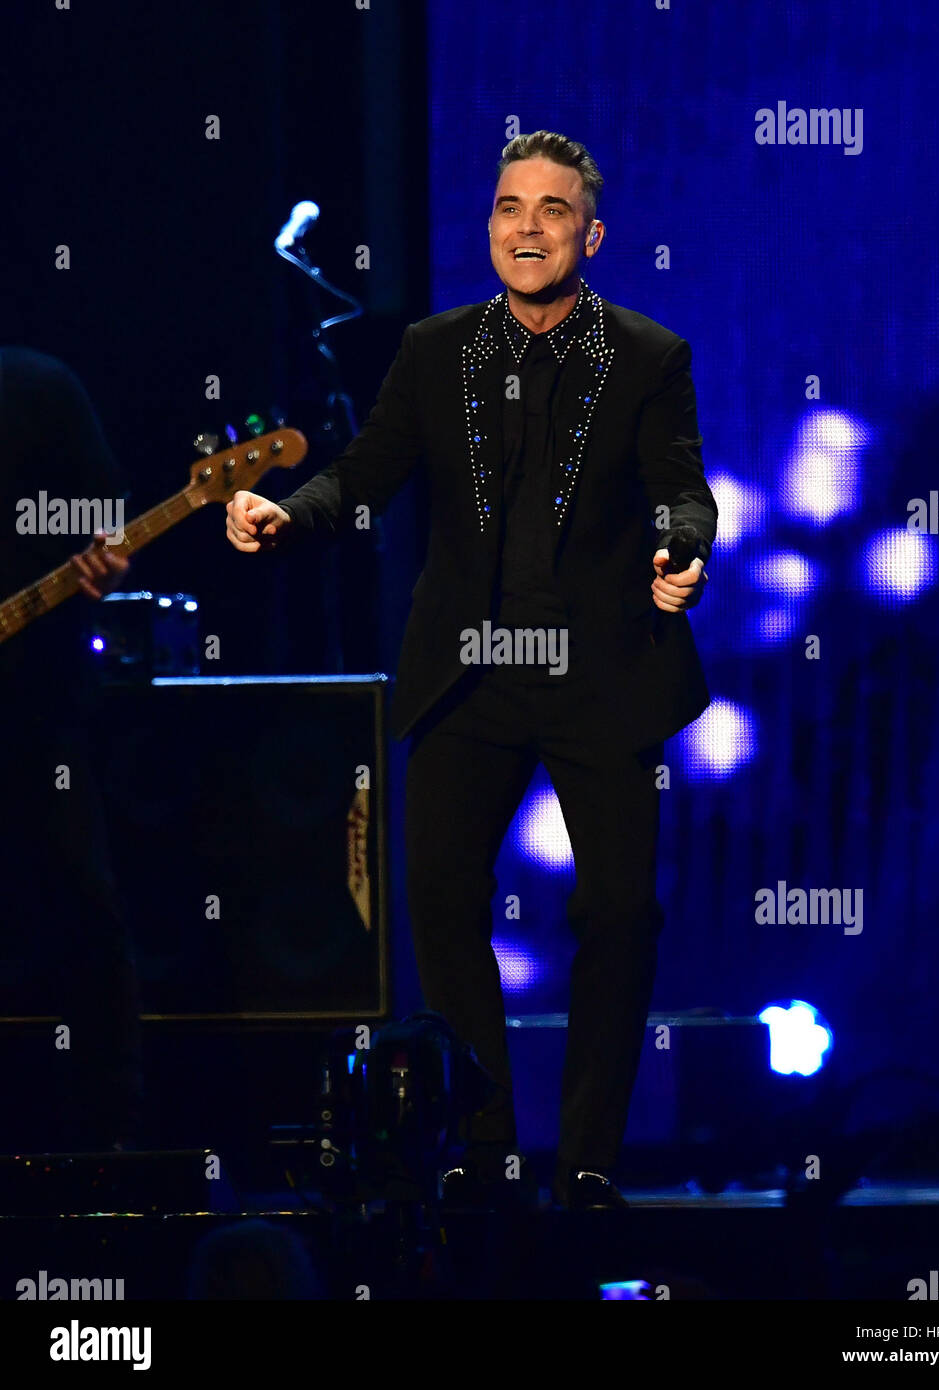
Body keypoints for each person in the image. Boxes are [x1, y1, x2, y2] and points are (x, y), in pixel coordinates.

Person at [225, 131, 718, 1210]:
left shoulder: (648, 356)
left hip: (601, 673)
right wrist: (286, 513)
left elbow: (683, 490)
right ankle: (488, 1155)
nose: (526, 227)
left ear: (590, 234)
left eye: (550, 210)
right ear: (489, 226)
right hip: (469, 674)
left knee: (620, 915)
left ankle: (588, 1162)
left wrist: (679, 554)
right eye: (508, 207)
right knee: (441, 900)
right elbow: (364, 475)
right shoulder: (433, 350)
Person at [0, 345, 140, 1150]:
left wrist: (103, 556)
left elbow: (105, 527)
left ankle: (110, 1142)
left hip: (34, 705)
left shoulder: (40, 387)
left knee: (83, 907)